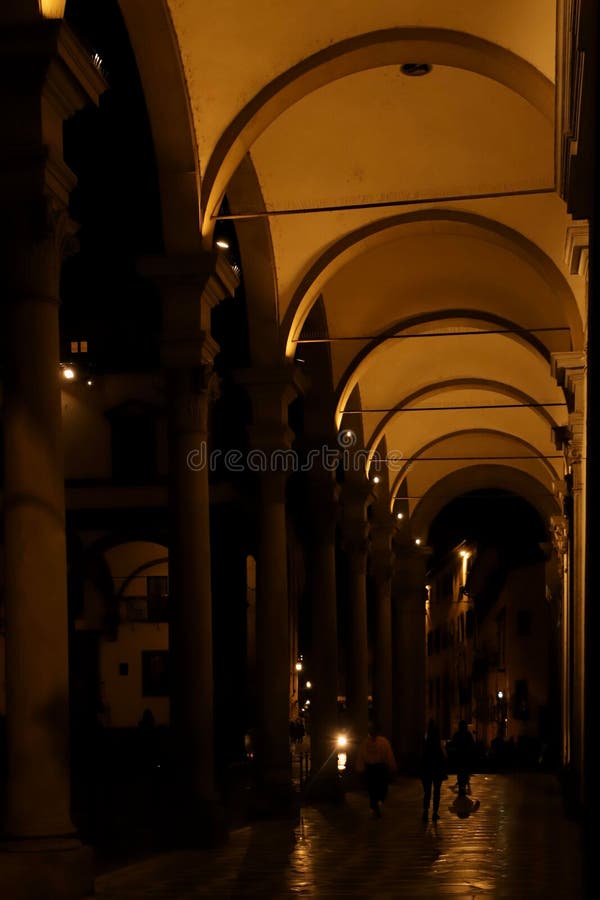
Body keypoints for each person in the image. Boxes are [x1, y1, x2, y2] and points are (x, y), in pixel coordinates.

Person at [355, 722, 397, 817]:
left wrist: (392, 765)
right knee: (372, 789)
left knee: (382, 788)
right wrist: (360, 768)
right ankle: (374, 807)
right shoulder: (365, 743)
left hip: (380, 768)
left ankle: (378, 801)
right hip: (370, 769)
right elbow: (361, 756)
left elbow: (388, 754)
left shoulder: (383, 742)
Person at [420, 719, 447, 822]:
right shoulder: (437, 742)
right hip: (436, 770)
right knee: (436, 791)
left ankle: (425, 811)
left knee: (427, 791)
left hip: (427, 769)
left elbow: (422, 754)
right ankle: (435, 812)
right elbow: (443, 755)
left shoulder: (425, 739)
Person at [451, 719, 476, 796]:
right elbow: (472, 745)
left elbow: (453, 745)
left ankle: (462, 787)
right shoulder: (468, 735)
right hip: (465, 757)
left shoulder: (457, 735)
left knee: (460, 773)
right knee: (464, 772)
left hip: (460, 757)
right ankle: (463, 786)